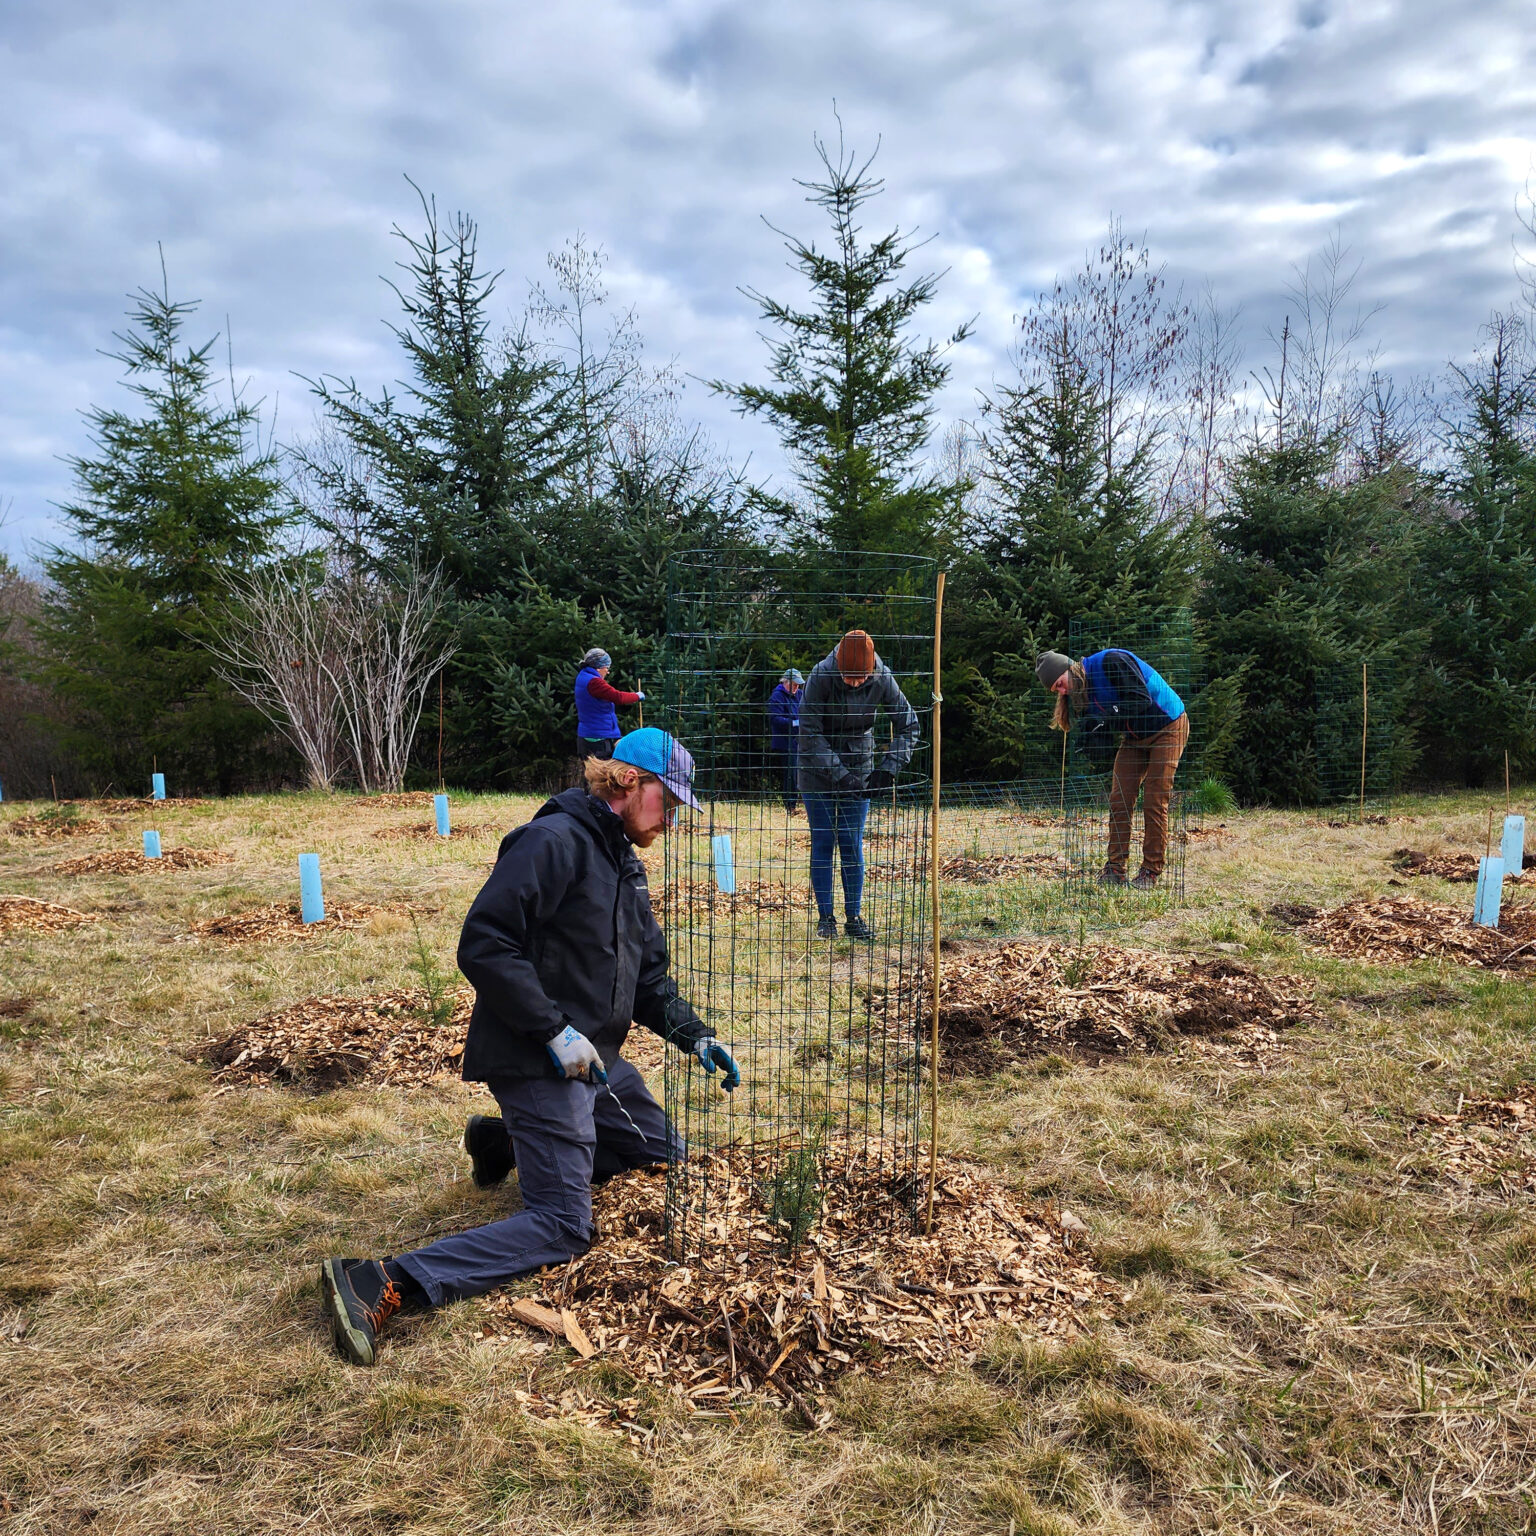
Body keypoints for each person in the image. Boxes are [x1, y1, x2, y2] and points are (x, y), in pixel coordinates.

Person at [320, 727, 740, 1367]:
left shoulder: (623, 858)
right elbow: (485, 943)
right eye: (671, 800)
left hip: (594, 1058)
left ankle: (505, 1142)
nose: (674, 816)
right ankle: (379, 1280)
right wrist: (551, 1030)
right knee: (565, 1224)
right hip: (534, 1053)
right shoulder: (554, 842)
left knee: (664, 1157)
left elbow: (647, 978)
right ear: (629, 781)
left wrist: (694, 1033)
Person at [798, 629, 919, 941]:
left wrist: (888, 769)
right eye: (848, 678)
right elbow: (809, 734)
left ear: (871, 671)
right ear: (838, 665)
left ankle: (854, 917)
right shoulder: (820, 676)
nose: (854, 683)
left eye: (860, 678)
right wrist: (839, 774)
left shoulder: (882, 677)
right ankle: (826, 918)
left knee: (851, 841)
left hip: (860, 766)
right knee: (824, 841)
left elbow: (909, 725)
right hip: (817, 771)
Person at [1036, 647, 1188, 888]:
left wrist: (1105, 720)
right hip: (1135, 737)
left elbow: (1139, 699)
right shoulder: (1082, 695)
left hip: (1167, 725)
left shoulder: (1111, 662)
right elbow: (1108, 724)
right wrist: (1097, 740)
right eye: (1056, 690)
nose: (1062, 691)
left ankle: (1150, 870)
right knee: (1119, 800)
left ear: (1068, 669)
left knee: (1155, 799)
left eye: (1060, 683)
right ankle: (1115, 869)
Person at [573, 647, 642, 762]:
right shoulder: (594, 682)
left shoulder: (583, 676)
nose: (608, 671)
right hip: (598, 738)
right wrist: (637, 696)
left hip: (588, 735)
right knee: (602, 777)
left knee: (592, 776)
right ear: (599, 667)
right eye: (607, 668)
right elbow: (618, 697)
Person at [766, 667, 804, 815]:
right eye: (794, 684)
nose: (797, 688)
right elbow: (775, 719)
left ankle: (796, 804)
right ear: (785, 683)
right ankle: (790, 806)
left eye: (798, 685)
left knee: (800, 774)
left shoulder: (800, 694)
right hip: (785, 743)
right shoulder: (777, 696)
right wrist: (796, 723)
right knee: (790, 775)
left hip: (800, 741)